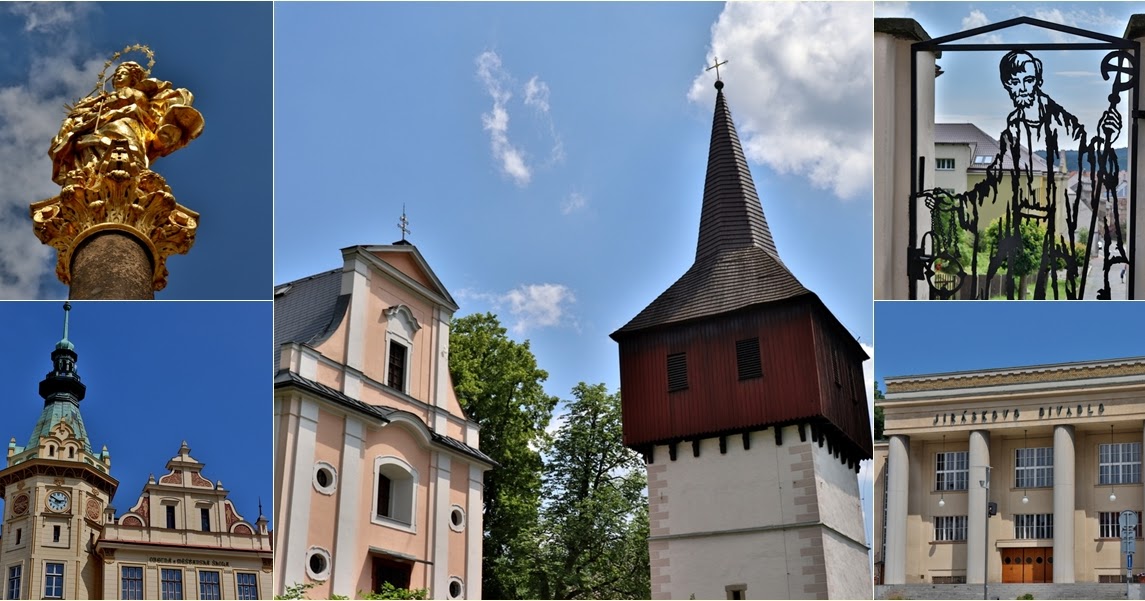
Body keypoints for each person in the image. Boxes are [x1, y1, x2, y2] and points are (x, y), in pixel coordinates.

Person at [921, 50, 1122, 299]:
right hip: (1016, 233)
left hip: (1049, 237)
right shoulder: (1013, 126)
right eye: (1014, 83)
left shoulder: (1061, 122)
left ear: (1038, 80)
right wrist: (955, 203)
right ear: (1007, 86)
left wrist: (1105, 138)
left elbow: (1089, 155)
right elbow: (992, 182)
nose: (1022, 89)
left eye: (1028, 80)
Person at [49, 61, 203, 185]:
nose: (117, 77)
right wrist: (92, 106)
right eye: (116, 74)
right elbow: (79, 114)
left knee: (124, 148)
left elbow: (125, 102)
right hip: (95, 130)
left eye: (123, 74)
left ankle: (131, 171)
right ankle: (89, 174)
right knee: (91, 160)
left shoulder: (135, 93)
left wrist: (103, 105)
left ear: (133, 78)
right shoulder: (102, 98)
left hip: (124, 125)